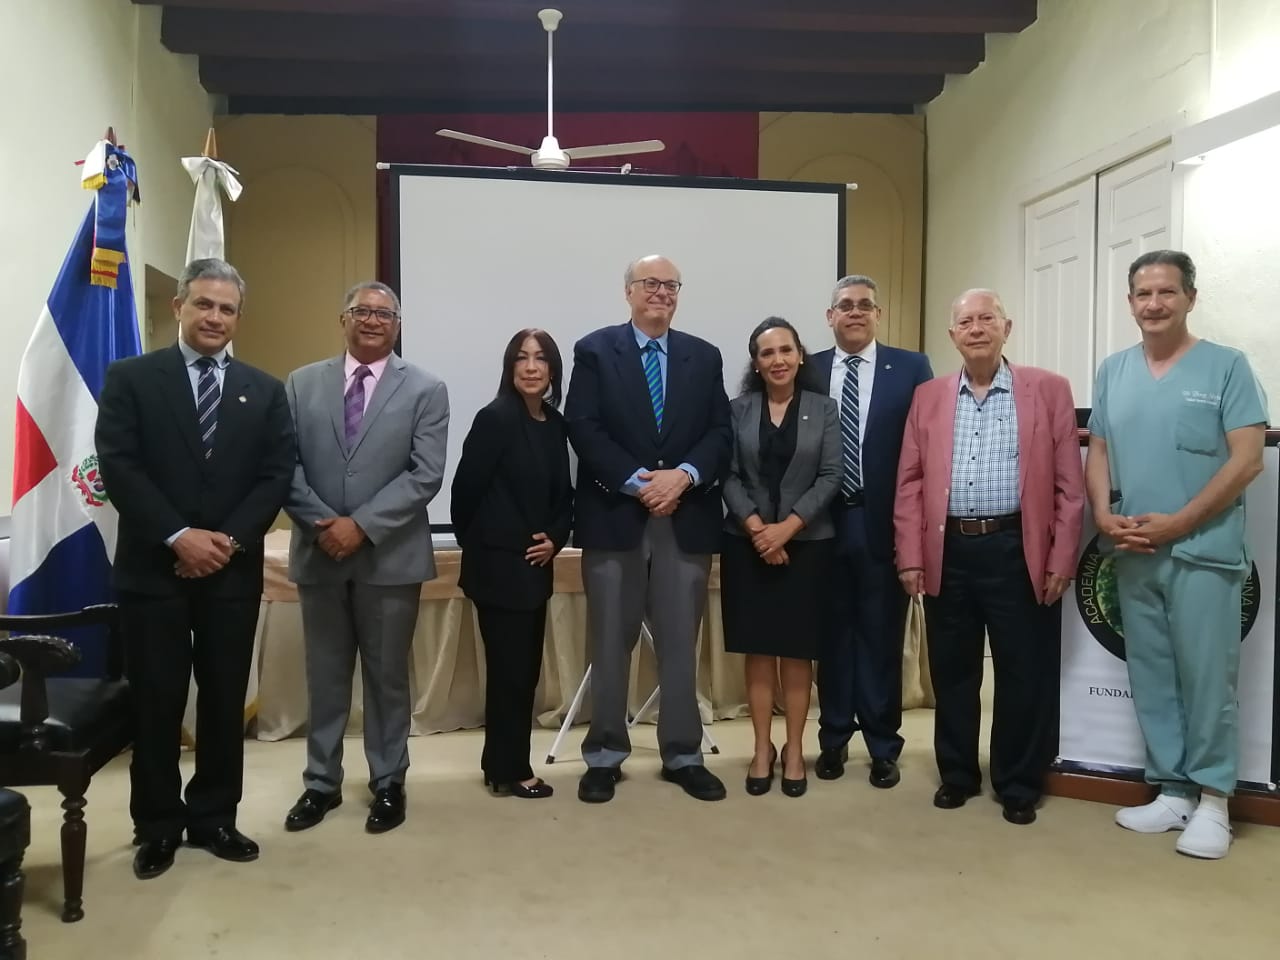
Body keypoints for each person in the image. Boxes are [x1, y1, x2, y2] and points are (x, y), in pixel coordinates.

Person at [95, 258, 294, 880]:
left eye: (227, 308)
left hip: (231, 575)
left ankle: (213, 818)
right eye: (203, 304)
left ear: (238, 317)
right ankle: (156, 825)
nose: (214, 317)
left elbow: (275, 476)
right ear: (179, 306)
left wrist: (225, 542)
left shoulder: (264, 390)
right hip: (153, 570)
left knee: (222, 700)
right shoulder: (132, 377)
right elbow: (119, 465)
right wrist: (180, 537)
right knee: (156, 701)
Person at [1087, 250, 1267, 859]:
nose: (1154, 304)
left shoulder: (1227, 368)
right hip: (1134, 550)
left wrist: (1181, 524)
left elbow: (1247, 460)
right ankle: (1172, 791)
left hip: (1202, 553)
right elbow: (1100, 454)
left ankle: (1214, 800)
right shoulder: (1113, 371)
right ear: (1131, 302)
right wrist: (1104, 515)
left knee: (1206, 679)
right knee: (1154, 675)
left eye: (1166, 292)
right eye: (1143, 294)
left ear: (1190, 297)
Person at [895, 288, 1084, 825]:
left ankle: (1018, 781)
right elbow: (908, 483)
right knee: (952, 671)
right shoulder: (928, 396)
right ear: (952, 334)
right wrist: (910, 554)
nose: (976, 328)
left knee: (1023, 670)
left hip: (1017, 548)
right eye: (965, 322)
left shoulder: (1047, 390)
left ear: (1007, 327)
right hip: (947, 548)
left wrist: (1060, 559)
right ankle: (957, 774)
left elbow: (1070, 488)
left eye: (986, 319)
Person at [281, 281, 449, 835]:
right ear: (343, 318)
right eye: (362, 311)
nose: (373, 320)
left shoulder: (426, 388)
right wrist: (324, 524)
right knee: (325, 675)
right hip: (318, 549)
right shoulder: (302, 384)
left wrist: (362, 527)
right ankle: (321, 783)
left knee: (386, 678)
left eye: (385, 313)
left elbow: (425, 474)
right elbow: (285, 466)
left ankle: (388, 781)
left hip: (389, 557)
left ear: (397, 324)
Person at [565, 254, 732, 803]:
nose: (660, 292)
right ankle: (605, 754)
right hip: (616, 517)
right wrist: (640, 483)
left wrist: (681, 478)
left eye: (670, 285)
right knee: (610, 643)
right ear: (629, 292)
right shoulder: (594, 350)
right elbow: (583, 428)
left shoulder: (703, 356)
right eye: (650, 284)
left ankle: (682, 753)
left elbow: (717, 433)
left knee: (681, 644)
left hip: (684, 520)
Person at [810, 275, 933, 788]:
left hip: (884, 522)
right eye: (845, 306)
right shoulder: (808, 369)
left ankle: (883, 744)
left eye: (864, 305)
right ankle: (834, 738)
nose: (855, 312)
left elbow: (927, 446)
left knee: (881, 637)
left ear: (878, 314)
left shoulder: (911, 367)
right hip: (821, 523)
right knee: (832, 637)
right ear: (830, 316)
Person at [451, 328, 573, 799]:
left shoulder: (556, 424)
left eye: (541, 359)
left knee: (522, 673)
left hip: (536, 569)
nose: (531, 367)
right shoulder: (495, 418)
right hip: (498, 570)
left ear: (552, 370)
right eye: (521, 358)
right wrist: (492, 550)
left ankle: (500, 765)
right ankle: (511, 769)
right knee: (510, 674)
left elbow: (565, 497)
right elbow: (464, 497)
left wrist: (556, 539)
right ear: (509, 366)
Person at [721, 318, 840, 797]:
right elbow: (726, 475)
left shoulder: (823, 408)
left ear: (800, 355)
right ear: (756, 363)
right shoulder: (737, 410)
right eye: (767, 353)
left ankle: (793, 750)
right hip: (746, 544)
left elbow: (831, 476)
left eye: (786, 350)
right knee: (758, 651)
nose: (778, 360)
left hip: (806, 545)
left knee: (796, 653)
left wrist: (787, 529)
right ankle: (761, 749)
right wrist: (757, 530)